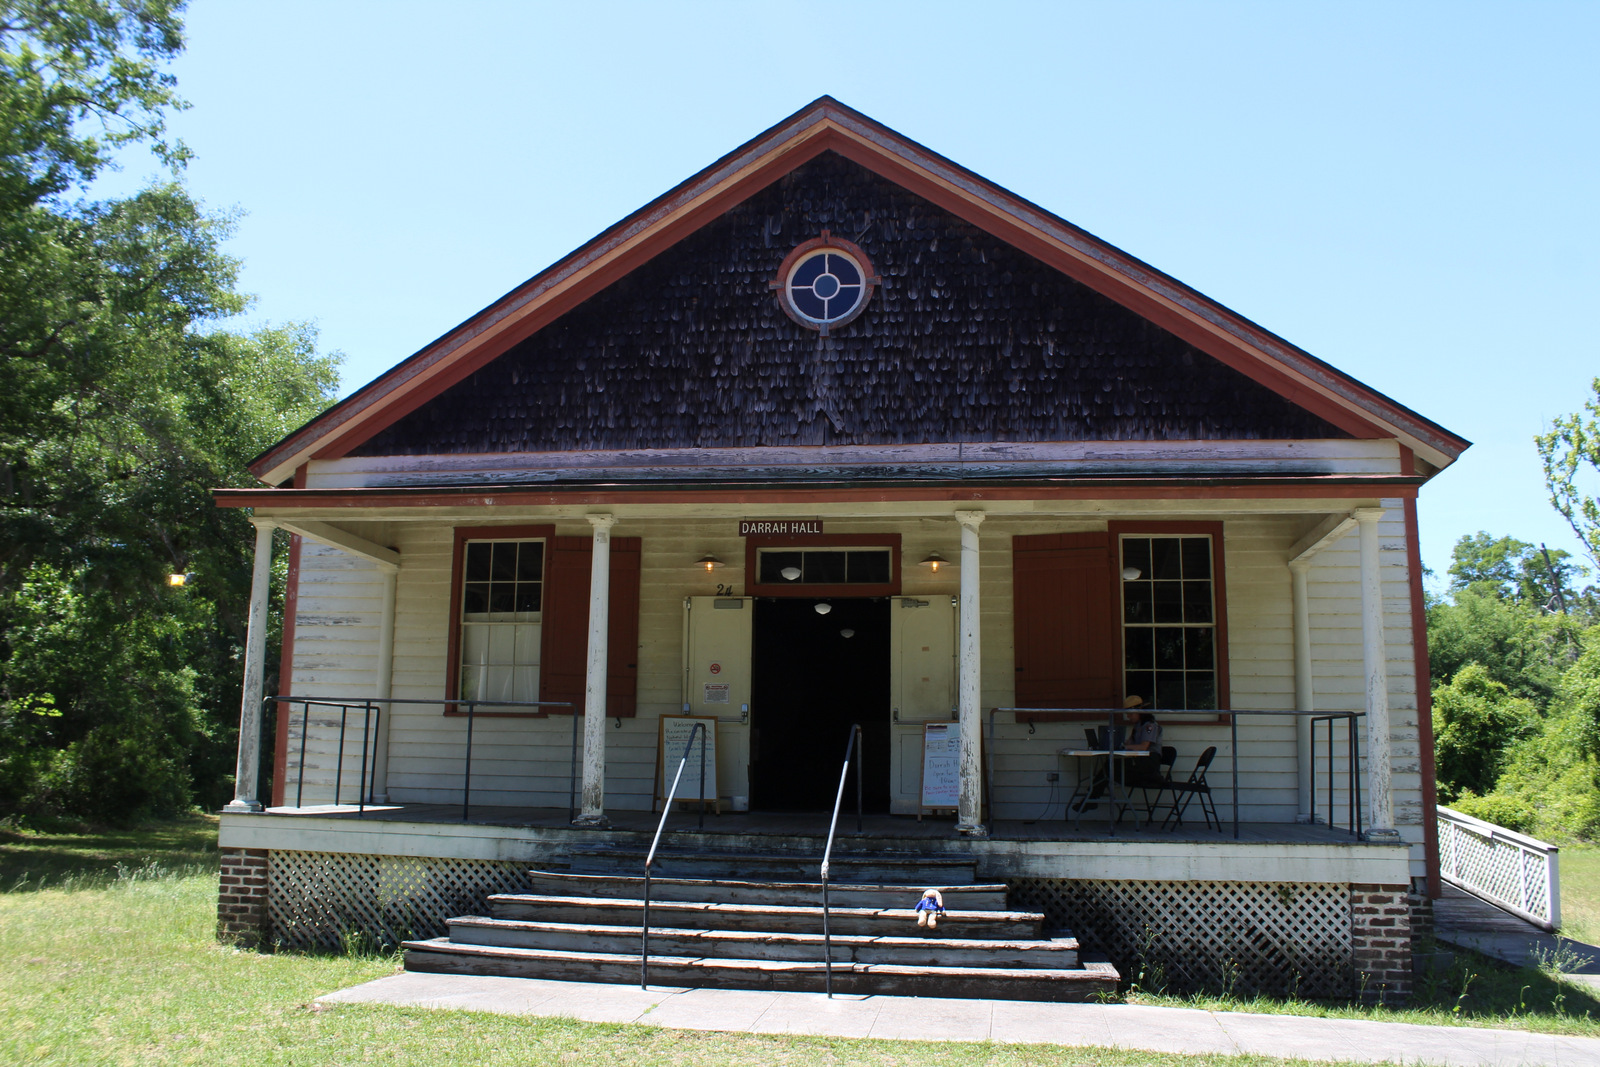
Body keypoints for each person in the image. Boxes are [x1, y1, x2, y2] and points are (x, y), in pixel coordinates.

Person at [1123, 712, 1165, 787]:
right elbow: (1130, 743)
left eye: (1131, 714)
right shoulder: (1138, 726)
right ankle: (1096, 794)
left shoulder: (1149, 726)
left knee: (1117, 770)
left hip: (1149, 760)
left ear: (1140, 713)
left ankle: (1155, 778)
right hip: (1138, 759)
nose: (1128, 717)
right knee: (1113, 765)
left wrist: (1126, 747)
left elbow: (1143, 747)